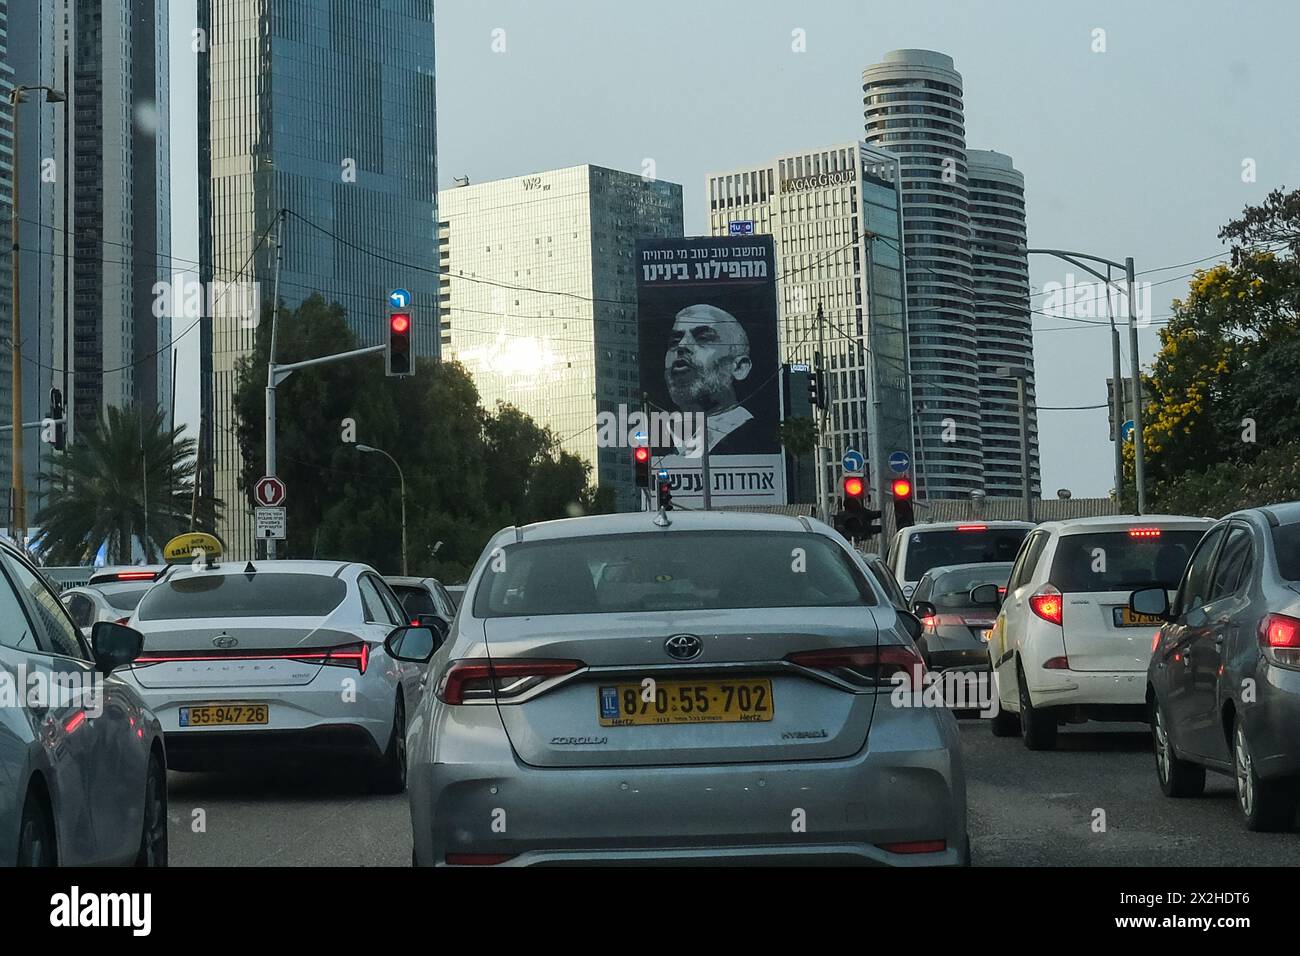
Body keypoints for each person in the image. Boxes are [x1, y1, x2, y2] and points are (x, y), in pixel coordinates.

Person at [661, 304, 760, 456]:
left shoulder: (759, 438)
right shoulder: (665, 442)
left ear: (739, 367)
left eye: (703, 338)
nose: (681, 345)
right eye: (674, 341)